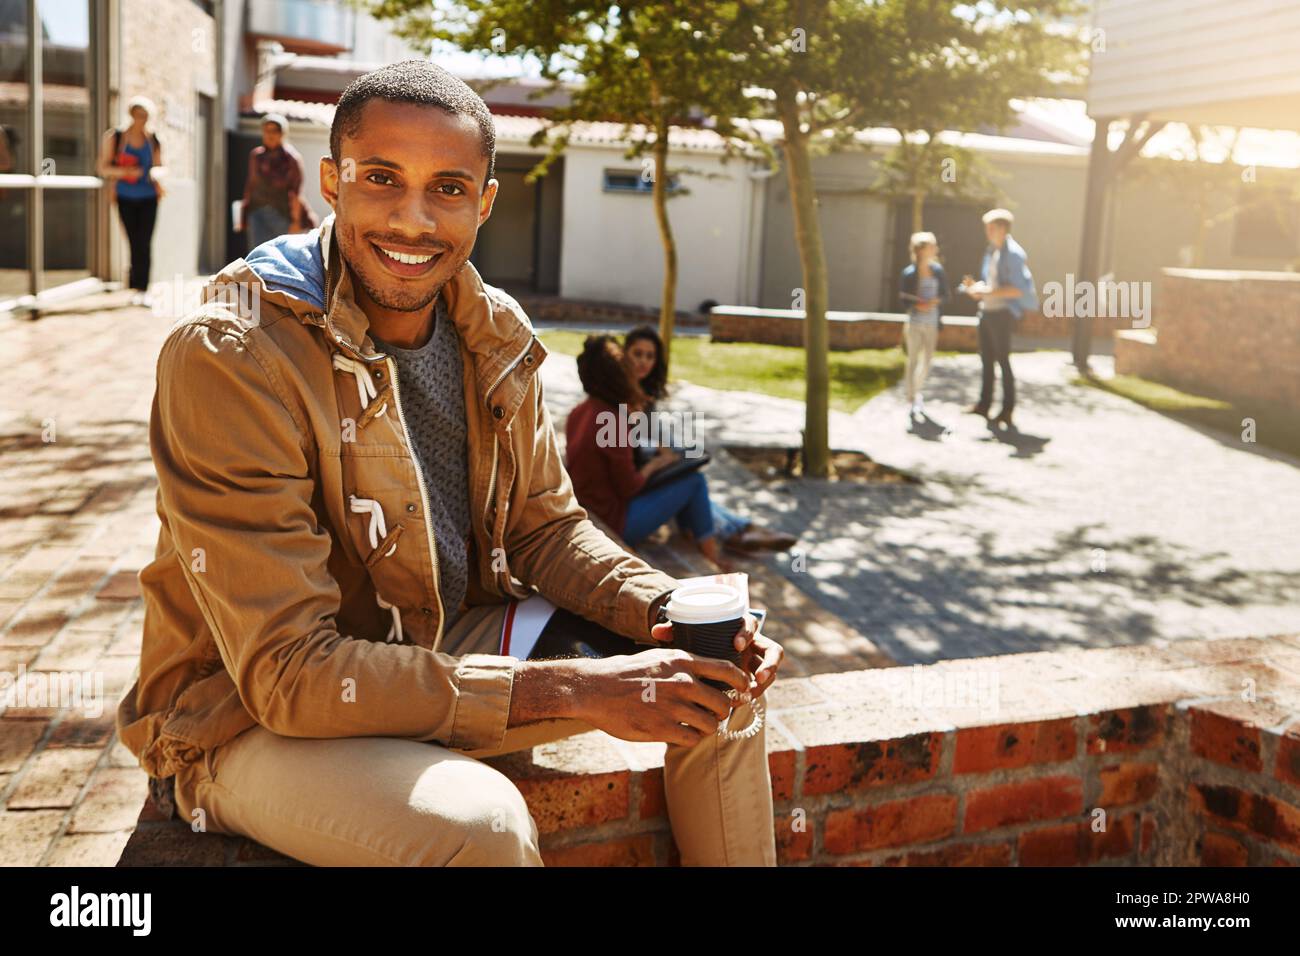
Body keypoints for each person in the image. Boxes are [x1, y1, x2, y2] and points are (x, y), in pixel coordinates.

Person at [115, 60, 782, 868]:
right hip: (245, 712)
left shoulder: (488, 327)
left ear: (485, 202)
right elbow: (287, 673)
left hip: (434, 641)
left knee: (715, 685)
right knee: (480, 826)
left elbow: (544, 528)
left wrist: (671, 611)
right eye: (383, 179)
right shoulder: (233, 353)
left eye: (449, 188)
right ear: (332, 181)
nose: (413, 220)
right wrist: (578, 689)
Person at [565, 334, 735, 571]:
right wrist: (658, 464)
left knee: (681, 476)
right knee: (694, 481)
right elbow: (629, 487)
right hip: (614, 524)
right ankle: (712, 557)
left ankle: (697, 539)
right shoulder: (612, 421)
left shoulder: (580, 412)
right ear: (617, 377)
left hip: (589, 514)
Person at [622, 325, 797, 554]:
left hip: (647, 475)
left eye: (650, 356)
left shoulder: (645, 395)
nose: (643, 362)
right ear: (624, 354)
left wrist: (671, 452)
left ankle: (742, 528)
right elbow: (631, 445)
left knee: (689, 470)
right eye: (637, 354)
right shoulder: (620, 397)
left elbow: (651, 437)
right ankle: (735, 533)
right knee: (693, 481)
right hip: (635, 489)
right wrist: (662, 456)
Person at [959, 208, 1038, 430]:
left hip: (1002, 314)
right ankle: (984, 404)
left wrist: (986, 292)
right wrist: (976, 290)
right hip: (986, 311)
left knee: (1003, 361)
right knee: (986, 359)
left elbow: (1017, 290)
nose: (987, 232)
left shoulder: (1013, 254)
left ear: (1002, 228)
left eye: (991, 228)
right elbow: (991, 284)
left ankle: (1007, 410)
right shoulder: (992, 251)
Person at [96, 95, 166, 306]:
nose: (141, 119)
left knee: (144, 241)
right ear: (131, 115)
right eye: (137, 115)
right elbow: (102, 167)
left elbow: (162, 165)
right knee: (133, 240)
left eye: (145, 116)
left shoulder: (153, 139)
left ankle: (143, 288)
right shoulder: (115, 137)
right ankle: (135, 284)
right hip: (125, 196)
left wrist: (156, 173)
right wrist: (124, 171)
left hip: (149, 197)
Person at [897, 232, 949, 422]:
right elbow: (903, 298)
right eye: (931, 246)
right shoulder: (908, 273)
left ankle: (916, 390)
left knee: (927, 361)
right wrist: (916, 305)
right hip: (915, 321)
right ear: (921, 250)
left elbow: (946, 295)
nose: (935, 250)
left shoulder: (938, 271)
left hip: (932, 322)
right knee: (912, 359)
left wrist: (935, 301)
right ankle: (911, 397)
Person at [237, 113, 308, 251]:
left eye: (274, 131)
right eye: (266, 130)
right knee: (257, 255)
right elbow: (251, 184)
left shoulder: (291, 159)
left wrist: (296, 221)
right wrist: (243, 215)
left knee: (279, 256)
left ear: (282, 133)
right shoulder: (256, 156)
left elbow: (296, 192)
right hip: (256, 213)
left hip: (281, 215)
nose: (270, 135)